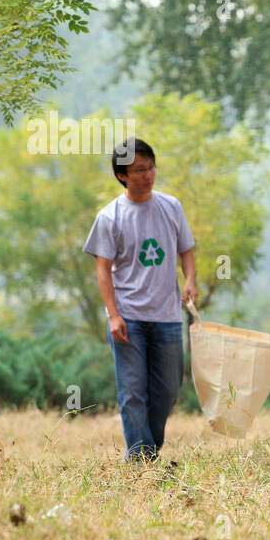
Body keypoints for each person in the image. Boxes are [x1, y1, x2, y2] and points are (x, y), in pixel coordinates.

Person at [83, 138, 197, 461]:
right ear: (122, 175)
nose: (147, 175)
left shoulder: (171, 207)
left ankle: (147, 452)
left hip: (167, 316)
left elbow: (186, 250)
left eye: (150, 168)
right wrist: (113, 314)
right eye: (139, 170)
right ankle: (141, 461)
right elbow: (103, 270)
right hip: (128, 317)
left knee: (168, 390)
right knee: (133, 392)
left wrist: (189, 280)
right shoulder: (110, 217)